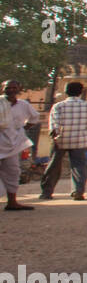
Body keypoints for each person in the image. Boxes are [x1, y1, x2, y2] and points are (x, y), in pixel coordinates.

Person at [40, 81, 87, 200]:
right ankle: (78, 191)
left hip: (61, 140)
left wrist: (54, 138)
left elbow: (54, 124)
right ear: (81, 92)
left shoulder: (58, 106)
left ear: (66, 92)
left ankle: (47, 192)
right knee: (79, 166)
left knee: (54, 166)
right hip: (80, 140)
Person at [1, 80, 41, 210]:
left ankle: (12, 202)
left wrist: (23, 129)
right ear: (3, 89)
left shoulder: (23, 105)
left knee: (13, 172)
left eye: (14, 87)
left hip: (14, 144)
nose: (11, 90)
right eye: (8, 88)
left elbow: (35, 117)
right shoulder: (1, 103)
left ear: (19, 89)